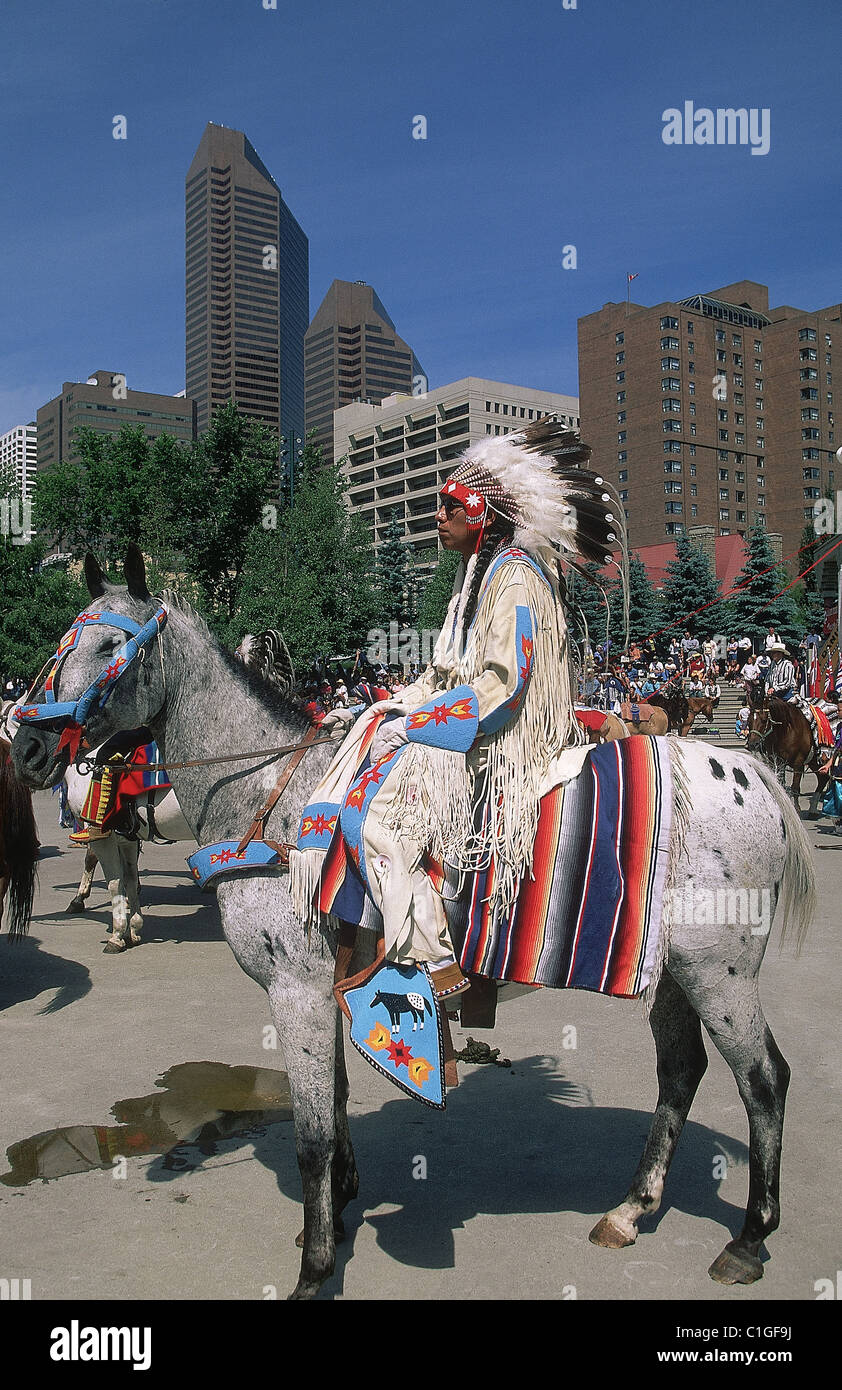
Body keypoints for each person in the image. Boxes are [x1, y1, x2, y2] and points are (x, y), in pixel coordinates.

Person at [291, 423, 619, 1000]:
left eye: (449, 506)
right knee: (372, 749)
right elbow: (447, 672)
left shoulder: (514, 575)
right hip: (484, 729)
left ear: (484, 513)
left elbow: (503, 686)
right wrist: (389, 708)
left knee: (382, 816)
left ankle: (430, 963)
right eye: (438, 506)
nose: (437, 517)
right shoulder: (478, 577)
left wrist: (416, 728)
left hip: (507, 743)